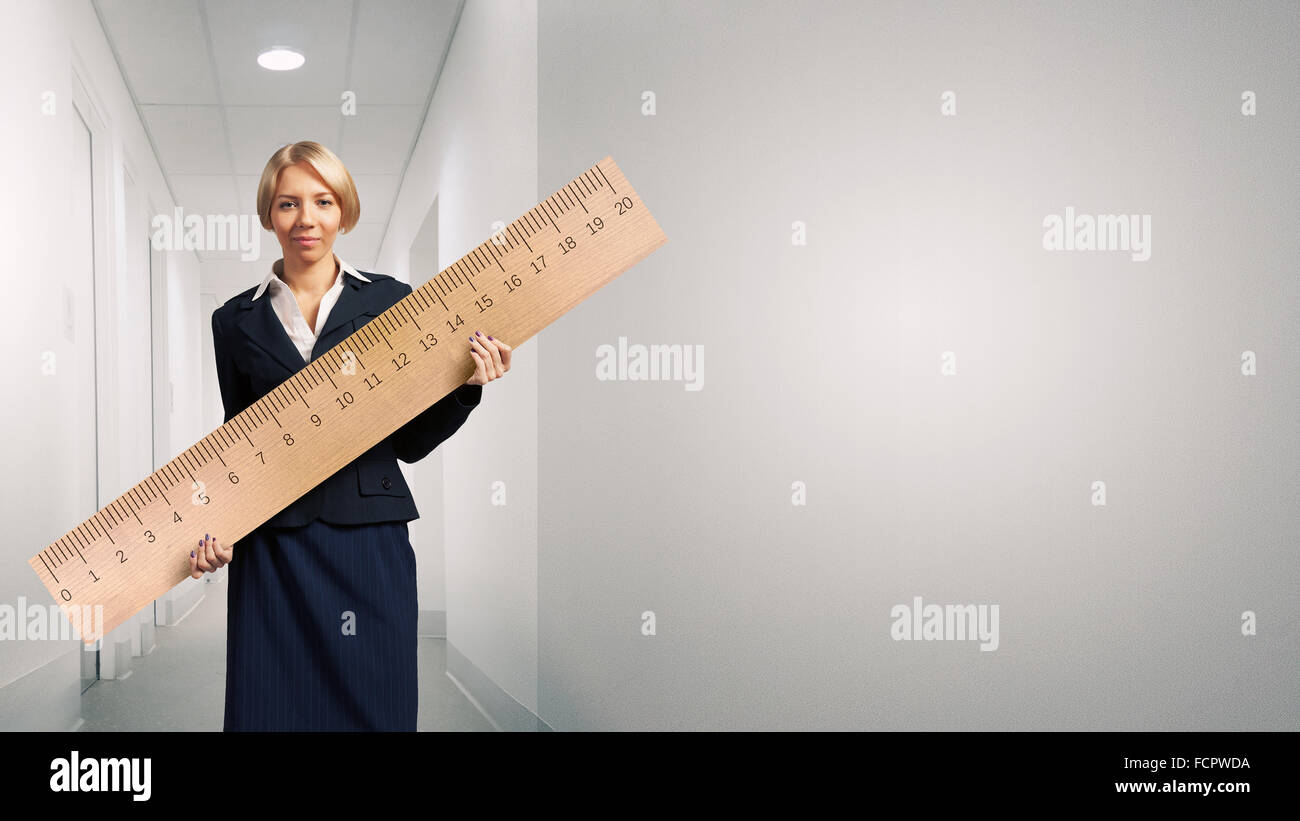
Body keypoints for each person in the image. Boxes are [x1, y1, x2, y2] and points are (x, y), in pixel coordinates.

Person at [198, 140, 510, 731]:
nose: (306, 219)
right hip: (273, 543)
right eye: (288, 204)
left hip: (369, 537)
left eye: (322, 201)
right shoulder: (233, 320)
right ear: (269, 215)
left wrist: (467, 388)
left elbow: (412, 440)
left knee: (377, 698)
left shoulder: (394, 302)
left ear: (344, 211)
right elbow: (238, 442)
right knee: (269, 705)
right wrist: (217, 531)